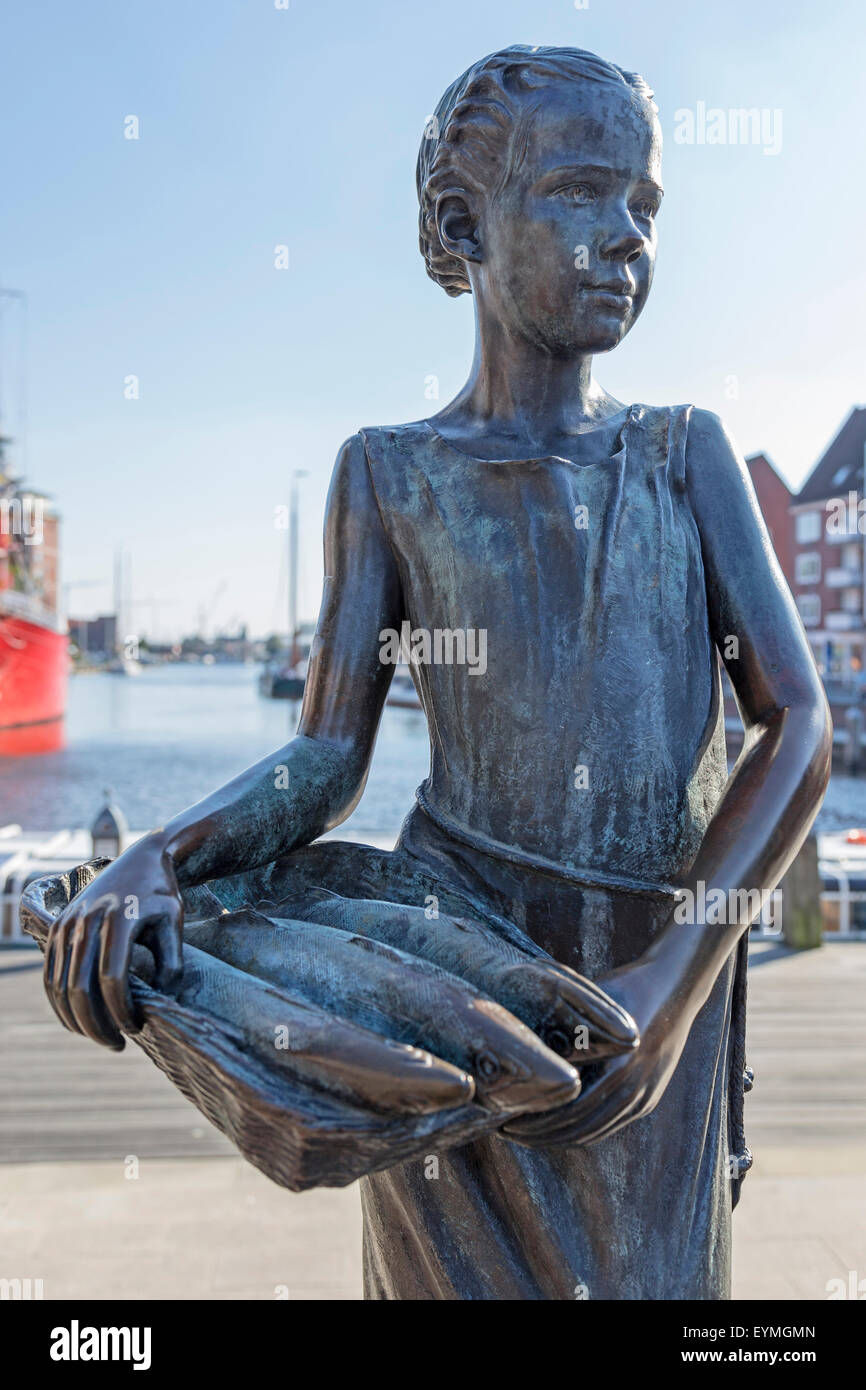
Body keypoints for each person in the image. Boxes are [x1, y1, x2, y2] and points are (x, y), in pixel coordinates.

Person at [42, 45, 831, 1299]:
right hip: (452, 978)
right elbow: (324, 757)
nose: (625, 236)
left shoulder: (686, 457)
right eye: (581, 191)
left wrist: (671, 990)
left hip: (639, 1000)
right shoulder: (387, 476)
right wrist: (160, 857)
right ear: (463, 223)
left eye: (646, 206)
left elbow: (794, 725)